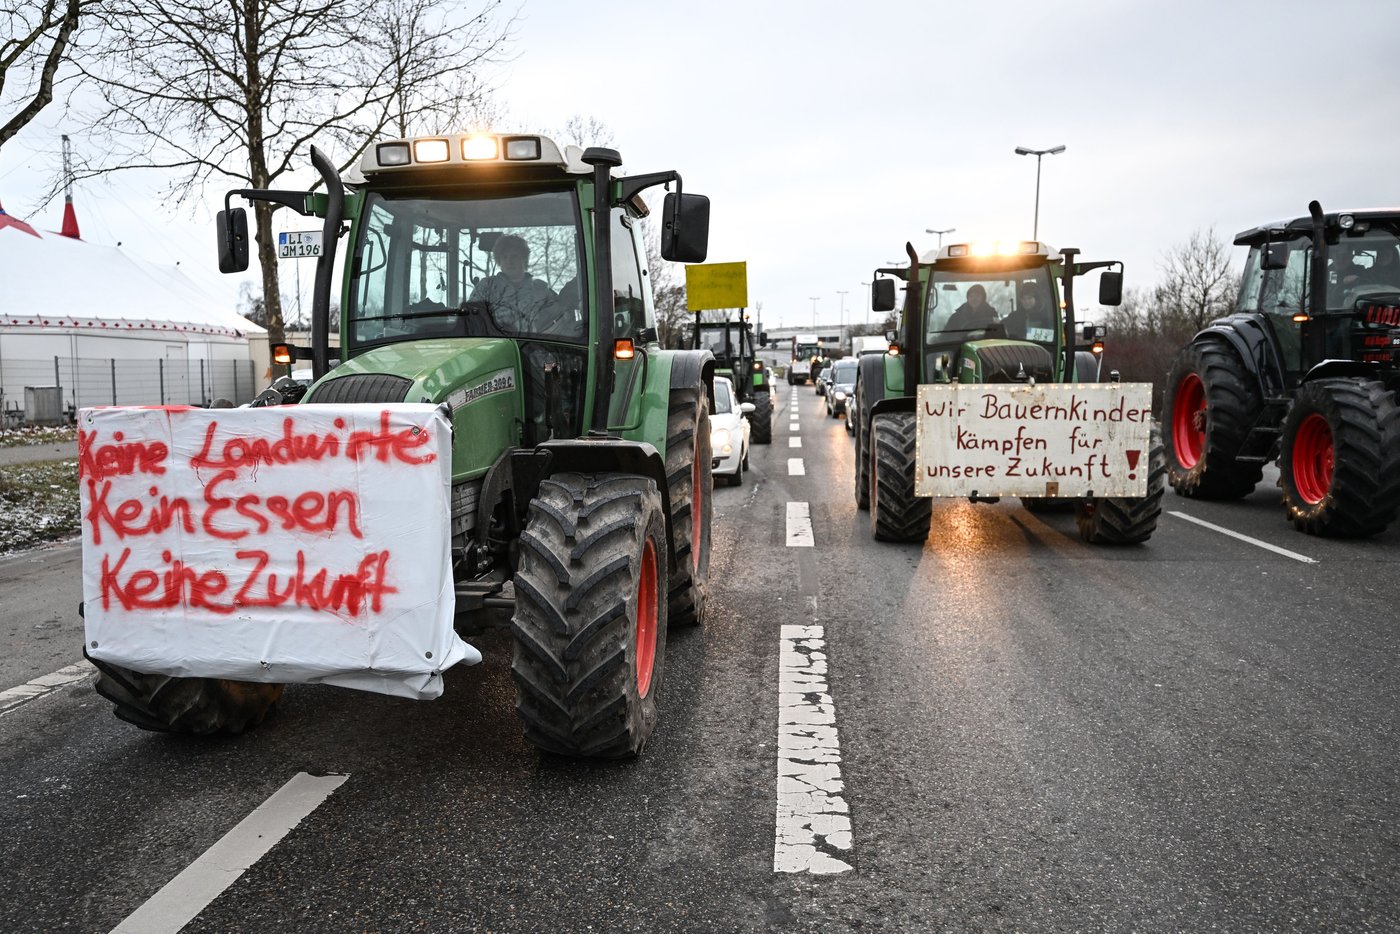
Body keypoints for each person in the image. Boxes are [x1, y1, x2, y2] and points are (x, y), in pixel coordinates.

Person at [469, 234, 562, 333]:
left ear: (524, 259)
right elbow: (471, 319)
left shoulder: (542, 290)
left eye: (514, 256)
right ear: (499, 261)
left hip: (535, 345)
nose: (509, 261)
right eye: (504, 257)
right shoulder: (486, 287)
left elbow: (561, 320)